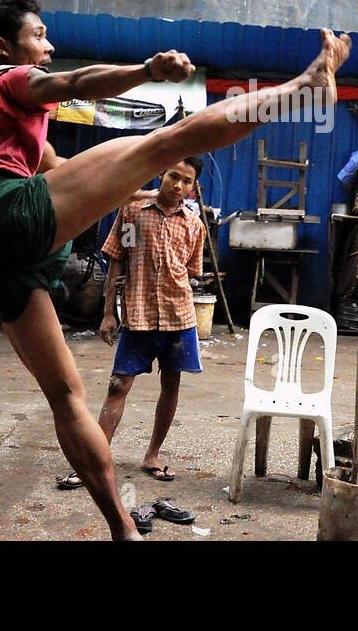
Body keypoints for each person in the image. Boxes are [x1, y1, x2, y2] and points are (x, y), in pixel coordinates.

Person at [0, 0, 350, 540]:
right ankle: (306, 87)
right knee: (171, 141)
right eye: (39, 34)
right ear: (3, 46)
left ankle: (123, 529)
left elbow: (60, 170)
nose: (49, 44)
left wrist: (129, 185)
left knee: (66, 397)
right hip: (9, 215)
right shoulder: (7, 79)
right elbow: (73, 83)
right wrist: (147, 70)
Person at [55, 156, 206, 495]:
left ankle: (152, 455)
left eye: (186, 180)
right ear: (161, 175)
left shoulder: (194, 224)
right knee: (117, 386)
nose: (177, 185)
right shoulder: (133, 213)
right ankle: (94, 460)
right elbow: (117, 262)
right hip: (137, 315)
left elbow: (192, 272)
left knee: (171, 384)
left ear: (192, 188)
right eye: (173, 176)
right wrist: (109, 313)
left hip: (179, 317)